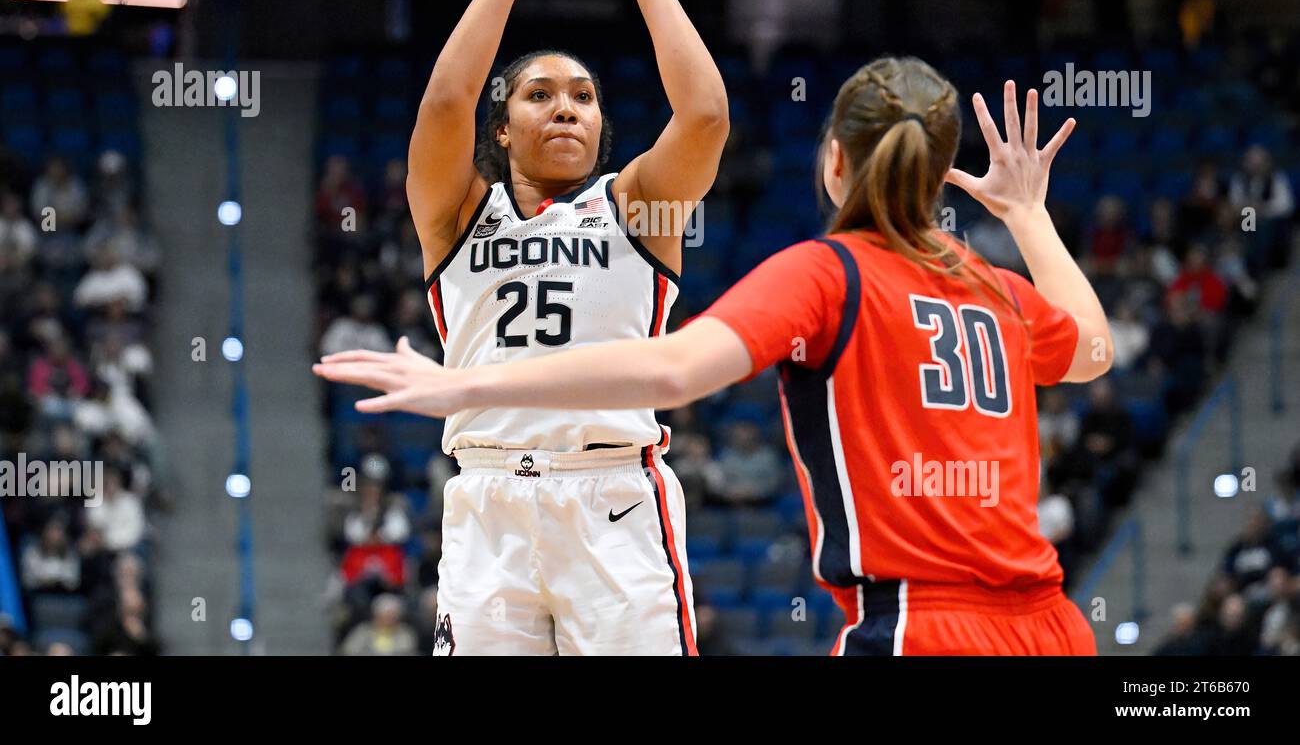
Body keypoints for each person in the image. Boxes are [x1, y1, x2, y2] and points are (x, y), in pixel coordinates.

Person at [316, 61, 1108, 656]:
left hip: (918, 625)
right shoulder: (998, 290)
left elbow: (667, 370)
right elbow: (1093, 350)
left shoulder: (826, 274)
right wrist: (1029, 215)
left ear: (834, 161)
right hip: (1053, 622)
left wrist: (466, 383)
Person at [377, 0, 728, 656]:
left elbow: (705, 115)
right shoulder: (456, 213)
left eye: (584, 97)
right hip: (488, 499)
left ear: (604, 128)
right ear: (501, 128)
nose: (566, 108)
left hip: (614, 498)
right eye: (540, 95)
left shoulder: (638, 206)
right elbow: (444, 101)